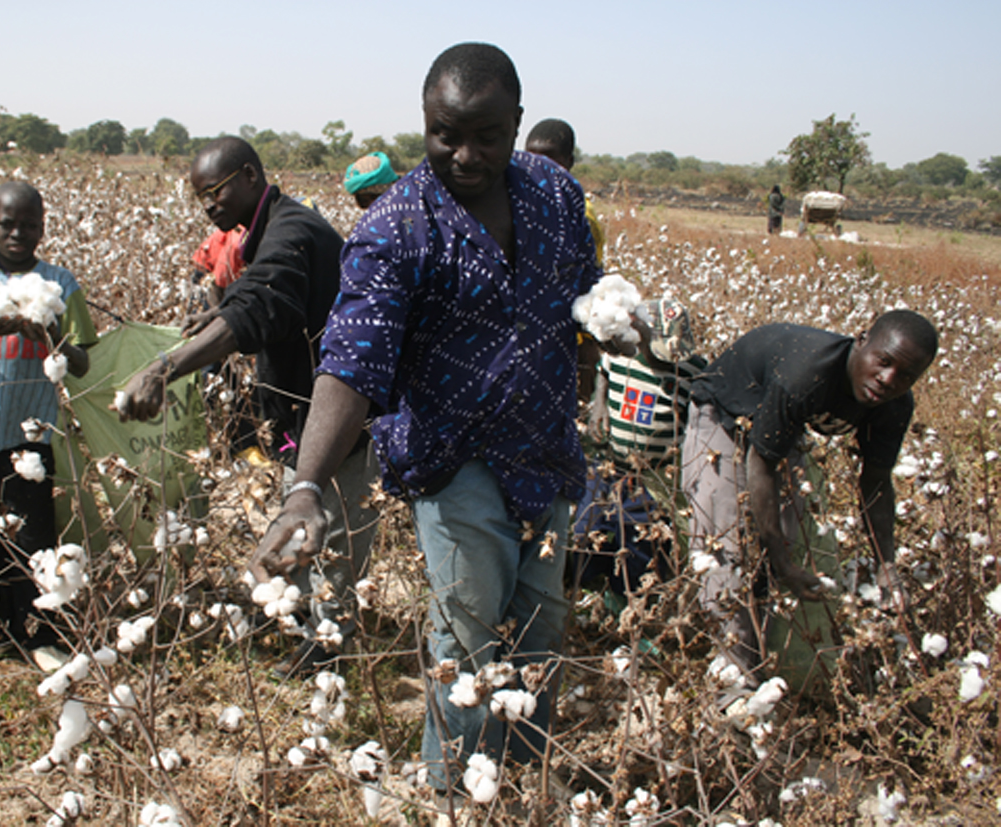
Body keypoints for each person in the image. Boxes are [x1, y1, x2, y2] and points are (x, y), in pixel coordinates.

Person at [247, 43, 603, 801]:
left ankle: (517, 785)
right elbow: (351, 362)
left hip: (547, 451)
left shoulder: (555, 195)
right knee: (468, 637)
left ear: (517, 121)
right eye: (446, 135)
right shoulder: (396, 226)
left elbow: (585, 296)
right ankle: (451, 796)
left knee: (540, 629)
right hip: (455, 459)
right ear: (424, 121)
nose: (466, 155)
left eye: (486, 136)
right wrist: (306, 487)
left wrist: (610, 332)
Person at [116, 137, 380, 677]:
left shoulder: (293, 229)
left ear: (250, 176)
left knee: (337, 537)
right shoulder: (267, 230)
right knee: (301, 515)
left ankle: (329, 652)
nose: (208, 205)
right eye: (199, 196)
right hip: (304, 420)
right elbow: (257, 293)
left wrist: (164, 368)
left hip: (342, 422)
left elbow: (264, 298)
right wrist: (218, 318)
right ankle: (298, 621)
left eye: (214, 191)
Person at [681, 310, 938, 681]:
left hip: (778, 422)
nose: (888, 380)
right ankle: (733, 684)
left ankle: (768, 663)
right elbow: (762, 463)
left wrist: (887, 566)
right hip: (724, 411)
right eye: (883, 362)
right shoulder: (808, 372)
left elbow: (877, 482)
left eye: (906, 376)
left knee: (786, 541)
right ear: (861, 339)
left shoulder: (894, 406)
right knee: (728, 548)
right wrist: (781, 562)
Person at [0, 181, 97, 670]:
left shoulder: (59, 283)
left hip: (32, 437)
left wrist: (51, 335)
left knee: (34, 541)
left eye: (29, 225)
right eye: (7, 224)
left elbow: (82, 363)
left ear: (42, 228)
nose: (17, 233)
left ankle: (42, 636)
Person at [574, 299, 704, 594]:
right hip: (608, 466)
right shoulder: (621, 353)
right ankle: (593, 591)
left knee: (641, 554)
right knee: (585, 534)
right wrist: (599, 406)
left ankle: (627, 603)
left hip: (652, 480)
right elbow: (603, 369)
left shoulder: (693, 371)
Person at [525, 118, 605, 266]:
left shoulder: (582, 215)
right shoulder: (515, 202)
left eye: (549, 160)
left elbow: (590, 267)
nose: (538, 167)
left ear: (569, 162)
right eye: (531, 158)